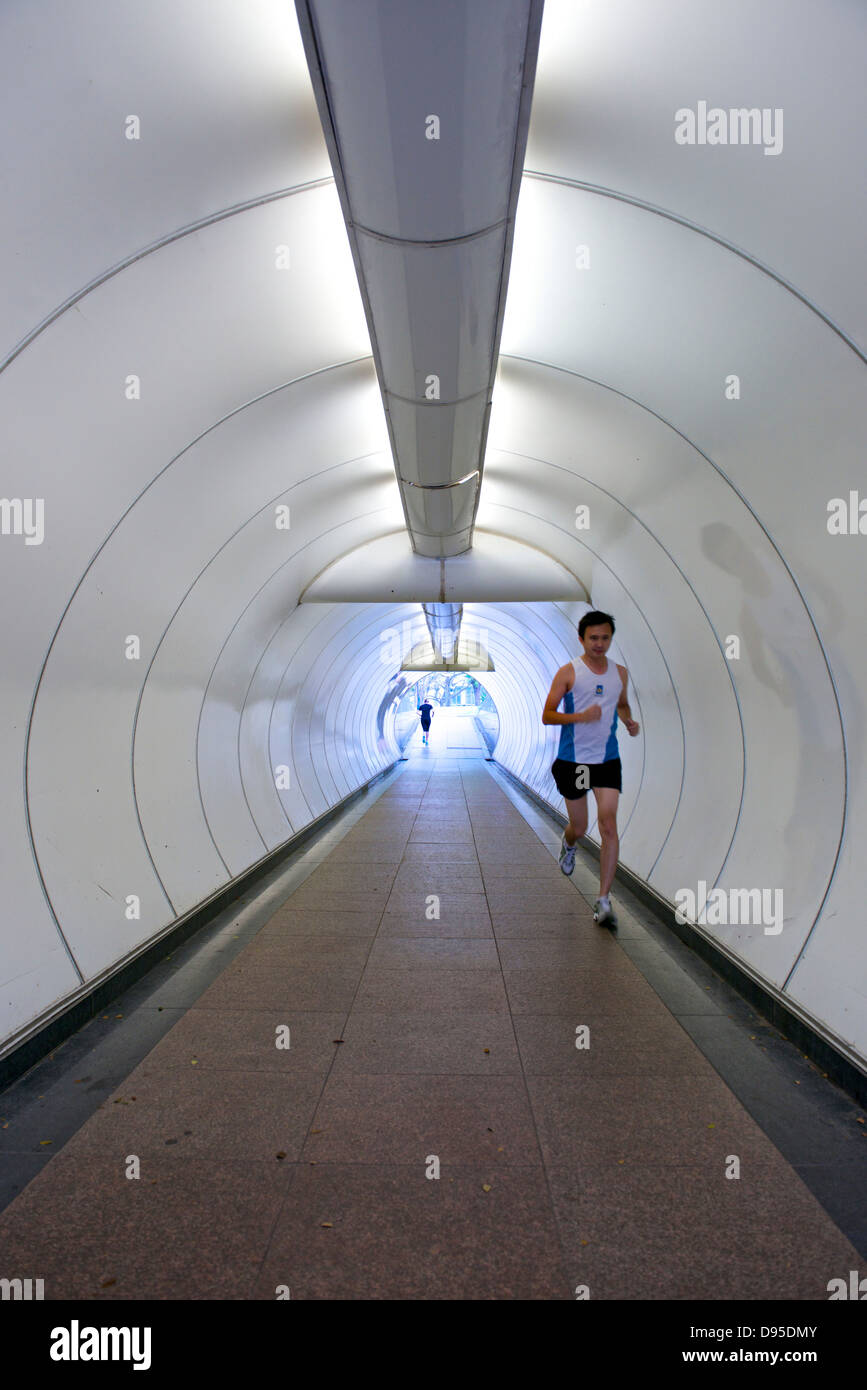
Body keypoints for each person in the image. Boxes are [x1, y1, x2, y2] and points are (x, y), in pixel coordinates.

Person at [541, 611, 639, 927]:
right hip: (576, 761)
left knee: (608, 824)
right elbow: (548, 714)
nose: (599, 644)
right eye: (593, 638)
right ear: (582, 639)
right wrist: (579, 717)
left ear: (611, 639)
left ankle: (603, 900)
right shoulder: (569, 673)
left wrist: (627, 719)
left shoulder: (620, 673)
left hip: (607, 760)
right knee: (581, 827)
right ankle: (569, 844)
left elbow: (620, 702)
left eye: (605, 638)